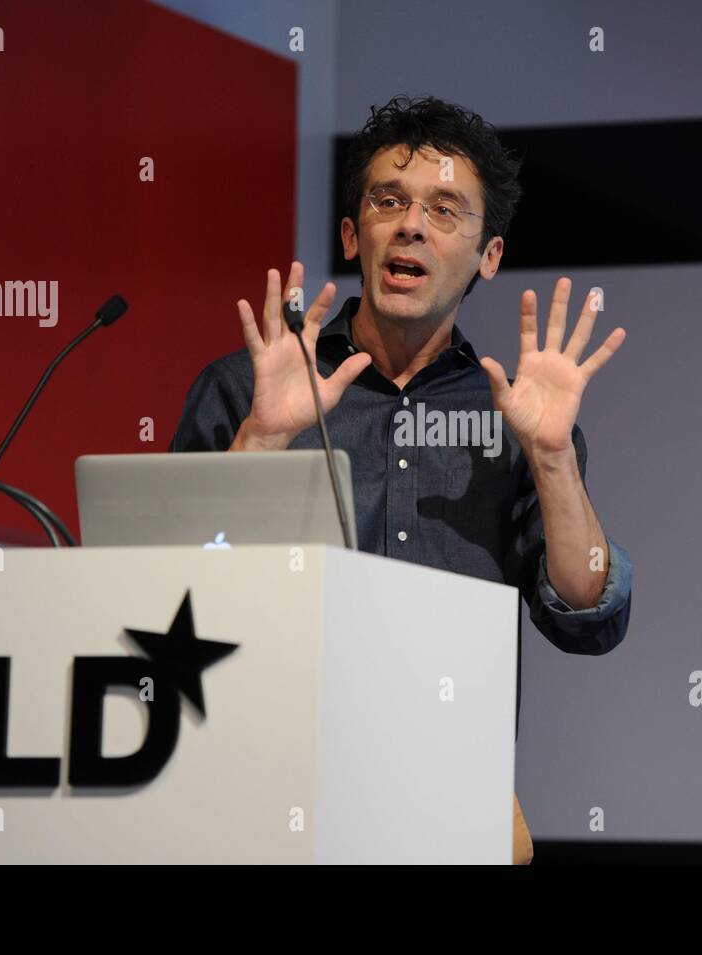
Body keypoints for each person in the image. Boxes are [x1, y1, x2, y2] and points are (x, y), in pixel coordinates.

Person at [171, 95, 633, 864]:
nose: (411, 224)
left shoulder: (515, 417)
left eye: (446, 209)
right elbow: (170, 592)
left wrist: (552, 457)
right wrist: (263, 438)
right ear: (354, 234)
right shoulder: (246, 392)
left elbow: (587, 615)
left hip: (447, 809)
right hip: (257, 799)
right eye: (389, 202)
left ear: (488, 255)